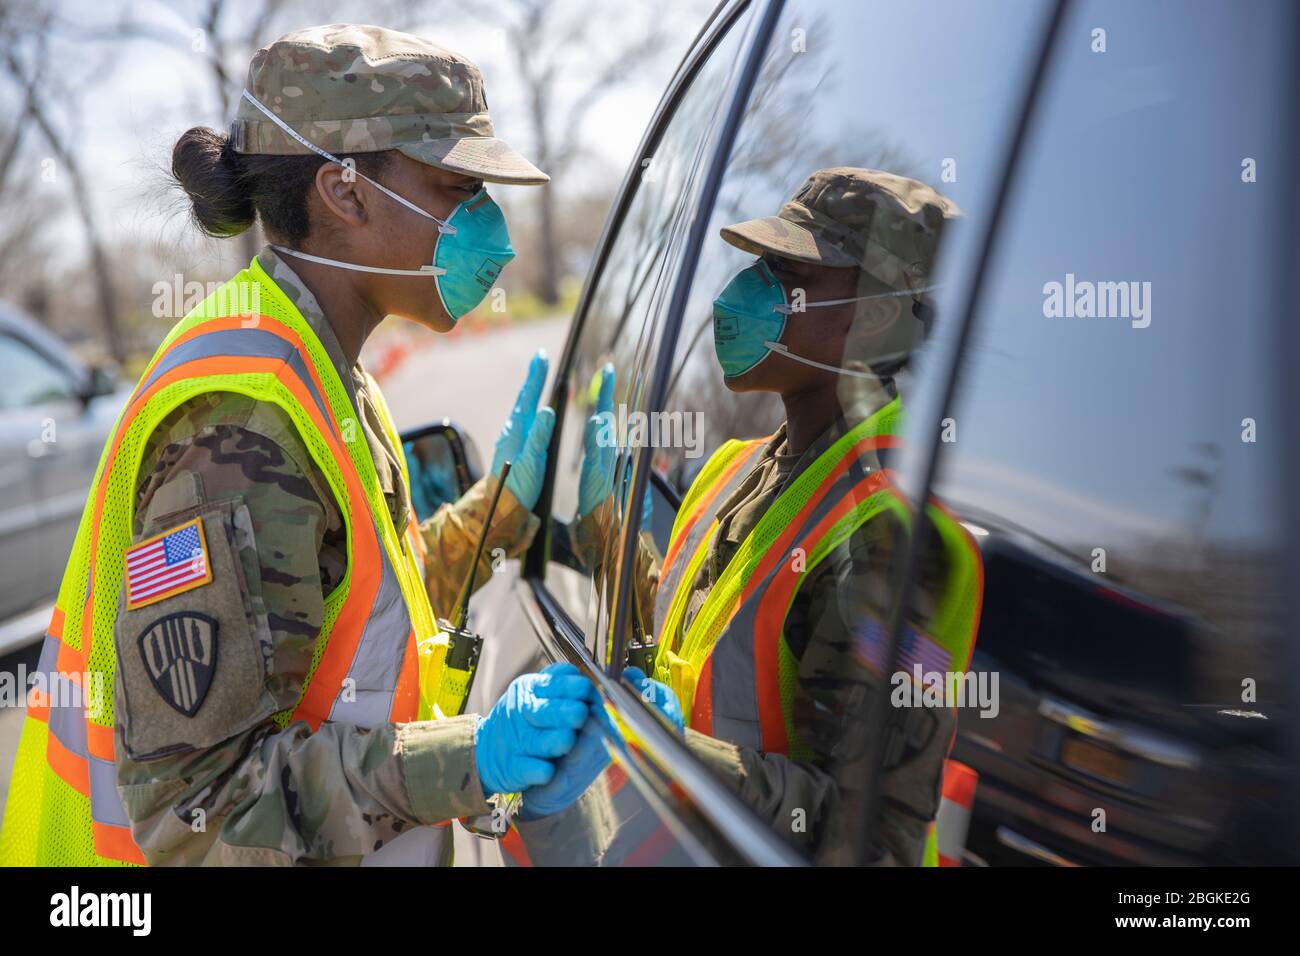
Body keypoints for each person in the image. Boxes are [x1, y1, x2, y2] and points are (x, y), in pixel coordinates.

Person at [0, 24, 598, 867]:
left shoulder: (320, 367)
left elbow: (335, 620)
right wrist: (470, 761)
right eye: (458, 187)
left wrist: (485, 521)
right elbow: (199, 810)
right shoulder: (245, 421)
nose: (490, 226)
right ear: (346, 193)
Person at [569, 168, 983, 865]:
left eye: (787, 273)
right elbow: (691, 647)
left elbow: (867, 837)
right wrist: (603, 527)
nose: (744, 293)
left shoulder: (890, 533)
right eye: (758, 265)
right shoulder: (738, 467)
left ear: (874, 316)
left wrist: (661, 748)